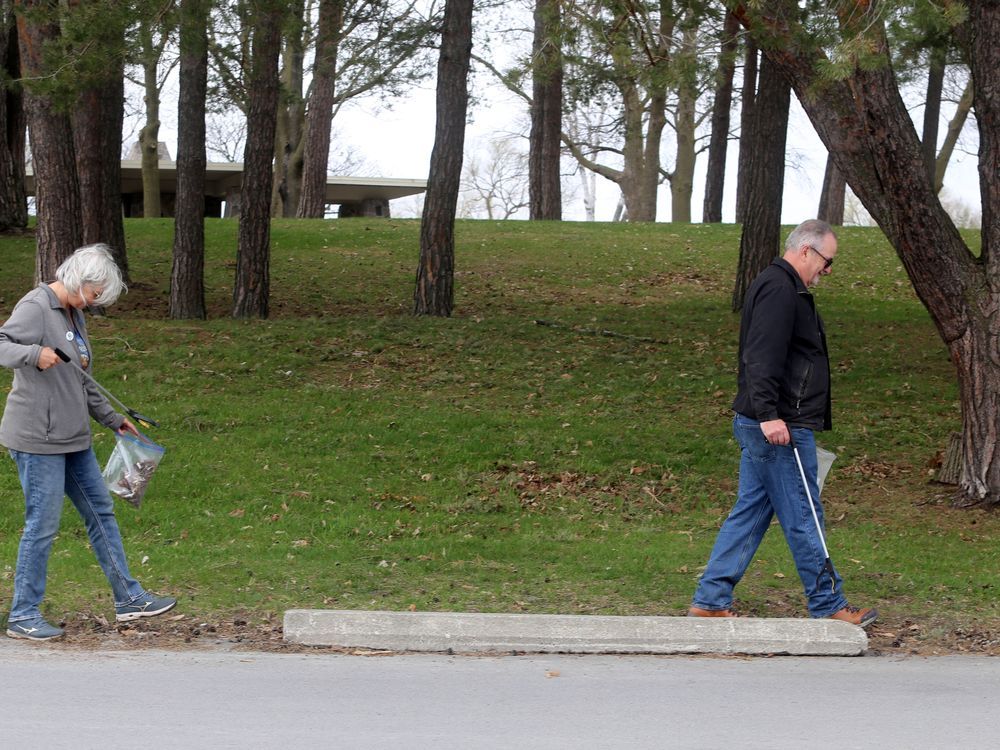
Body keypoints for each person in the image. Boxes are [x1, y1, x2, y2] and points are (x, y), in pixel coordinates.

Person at [689, 220, 876, 627]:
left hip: (768, 422)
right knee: (804, 514)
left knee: (751, 512)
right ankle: (828, 604)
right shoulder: (780, 289)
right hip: (779, 425)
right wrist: (770, 415)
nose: (828, 270)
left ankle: (710, 599)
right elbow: (761, 357)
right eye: (828, 260)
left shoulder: (783, 287)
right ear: (807, 250)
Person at [0, 244, 176, 641]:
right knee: (42, 525)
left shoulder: (74, 314)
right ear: (79, 280)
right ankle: (23, 614)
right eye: (94, 294)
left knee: (101, 512)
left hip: (73, 438)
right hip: (37, 439)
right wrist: (33, 353)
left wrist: (114, 420)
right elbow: (2, 345)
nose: (94, 302)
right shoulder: (35, 306)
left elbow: (82, 378)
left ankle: (129, 598)